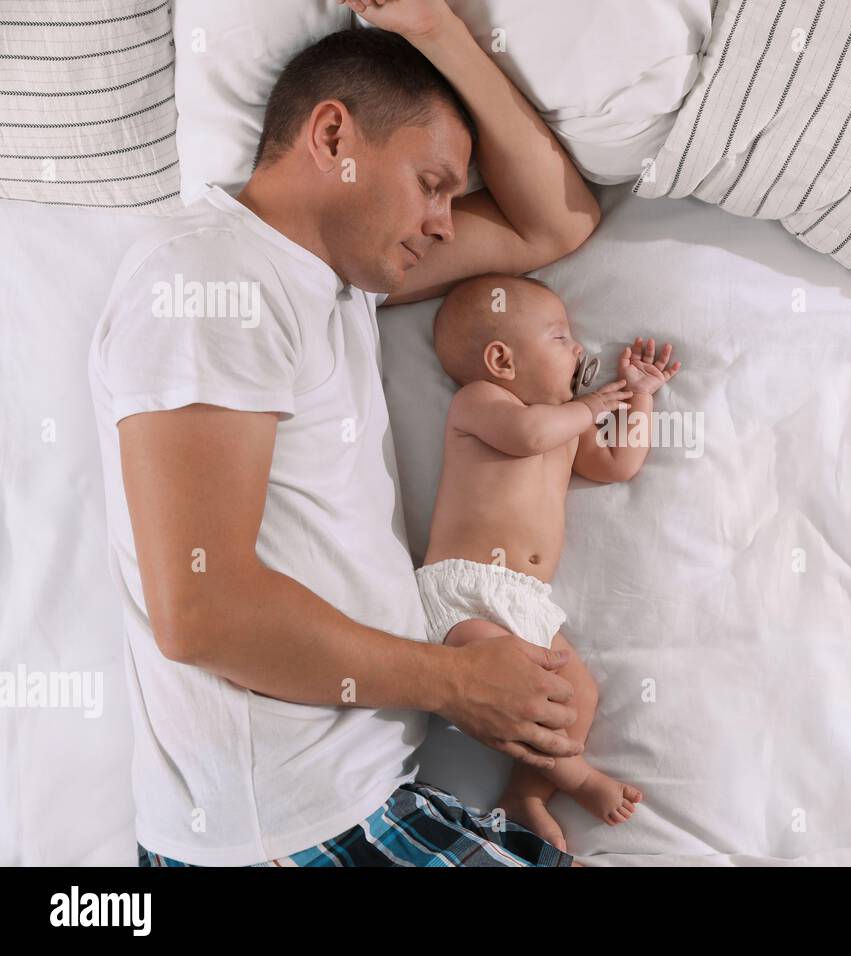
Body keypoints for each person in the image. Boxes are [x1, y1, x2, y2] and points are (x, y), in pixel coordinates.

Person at [88, 0, 602, 867]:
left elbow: (555, 223)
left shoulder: (334, 287)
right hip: (294, 833)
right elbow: (205, 611)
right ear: (334, 137)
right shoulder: (213, 279)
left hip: (356, 809)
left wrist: (437, 32)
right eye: (431, 182)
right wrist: (459, 685)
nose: (445, 219)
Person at [418, 272, 680, 849]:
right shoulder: (483, 402)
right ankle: (578, 778)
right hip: (465, 594)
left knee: (578, 695)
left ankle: (526, 795)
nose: (580, 350)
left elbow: (618, 465)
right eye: (561, 338)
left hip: (528, 601)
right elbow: (528, 435)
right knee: (516, 681)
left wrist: (639, 394)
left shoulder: (567, 422)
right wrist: (589, 405)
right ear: (502, 359)